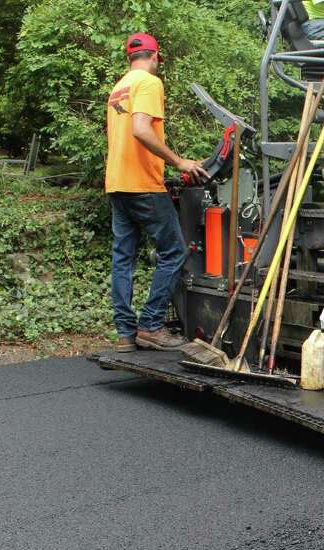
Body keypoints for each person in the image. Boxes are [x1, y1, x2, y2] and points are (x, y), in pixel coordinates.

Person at [105, 33, 208, 352]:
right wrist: (178, 162)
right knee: (175, 251)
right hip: (143, 185)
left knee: (123, 258)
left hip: (117, 183)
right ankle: (150, 325)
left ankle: (125, 333)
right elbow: (140, 129)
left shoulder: (118, 88)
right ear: (155, 58)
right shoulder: (149, 83)